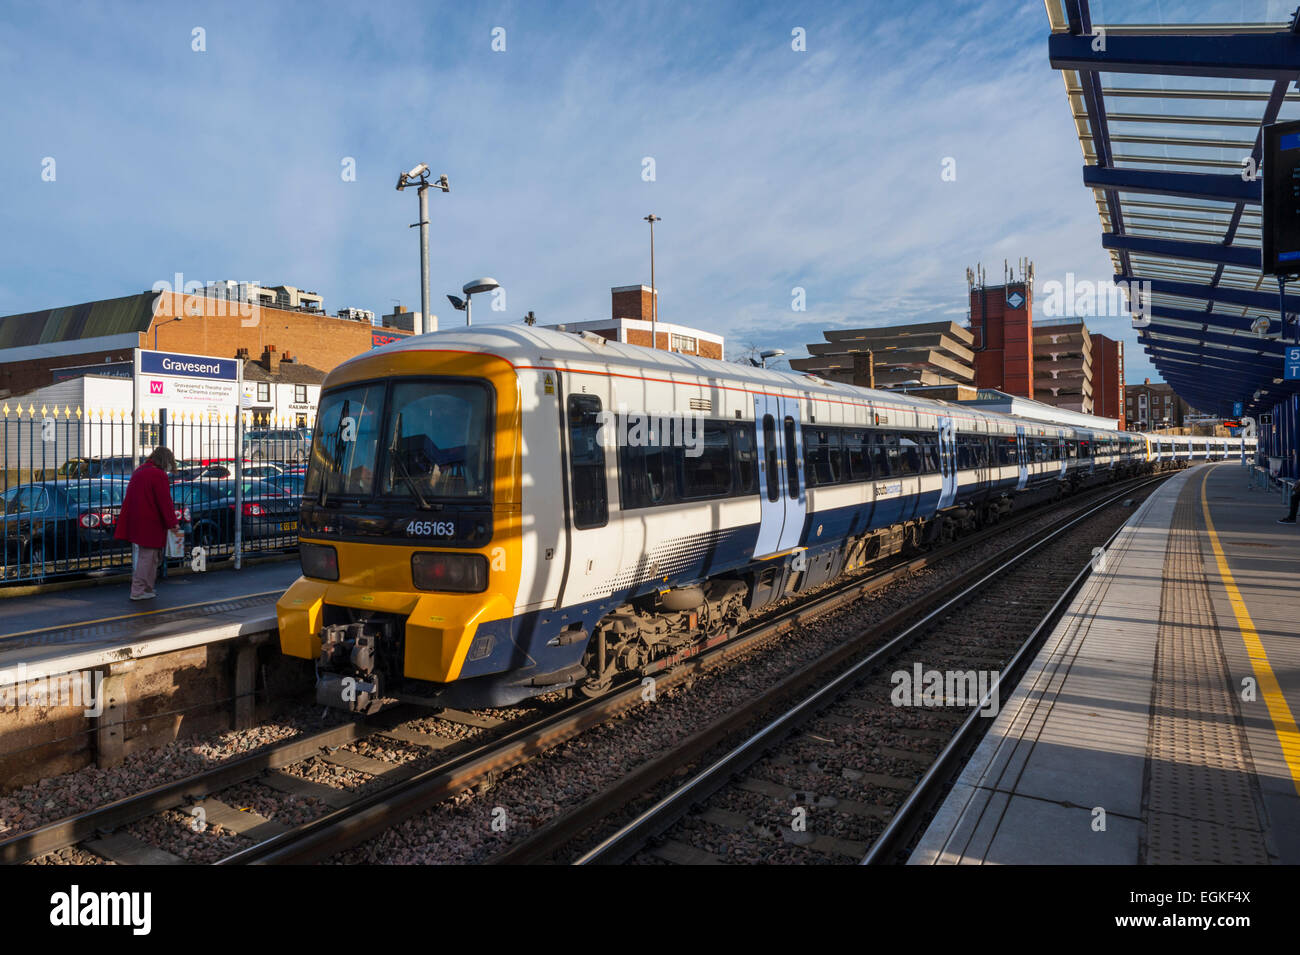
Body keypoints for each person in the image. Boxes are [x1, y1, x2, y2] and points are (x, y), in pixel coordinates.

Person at [114, 447, 181, 600]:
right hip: (151, 522)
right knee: (148, 557)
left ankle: (147, 588)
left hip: (138, 519)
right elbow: (165, 502)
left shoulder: (140, 471)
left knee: (151, 556)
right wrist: (173, 523)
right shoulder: (158, 475)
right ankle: (138, 590)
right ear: (166, 460)